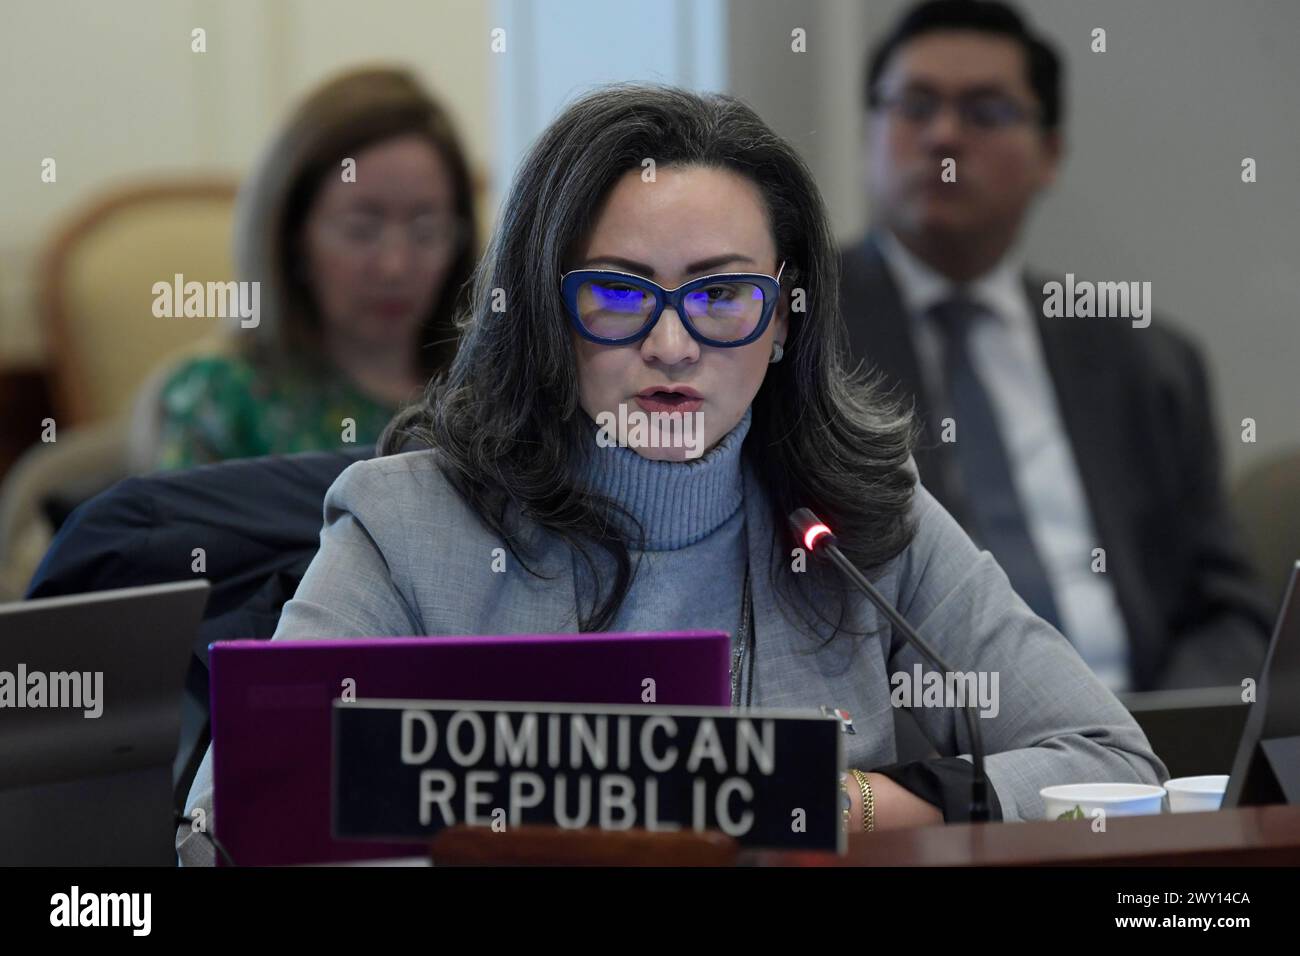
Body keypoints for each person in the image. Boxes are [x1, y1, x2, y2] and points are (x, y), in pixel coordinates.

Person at [177, 82, 1165, 865]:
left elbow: (1113, 766)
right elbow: (229, 822)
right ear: (543, 311)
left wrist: (855, 801)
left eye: (722, 294)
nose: (670, 342)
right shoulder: (410, 523)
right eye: (615, 292)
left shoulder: (861, 515)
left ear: (784, 318)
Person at [840, 0, 1271, 692]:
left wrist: (1167, 738)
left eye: (985, 112)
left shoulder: (1145, 359)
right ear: (870, 134)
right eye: (915, 106)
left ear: (1050, 155)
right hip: (919, 764)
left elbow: (1226, 607)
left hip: (1139, 753)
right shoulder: (795, 338)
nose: (944, 136)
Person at [152, 67, 478, 469]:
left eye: (426, 231)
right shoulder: (221, 400)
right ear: (292, 236)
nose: (395, 266)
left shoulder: (490, 395)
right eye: (361, 230)